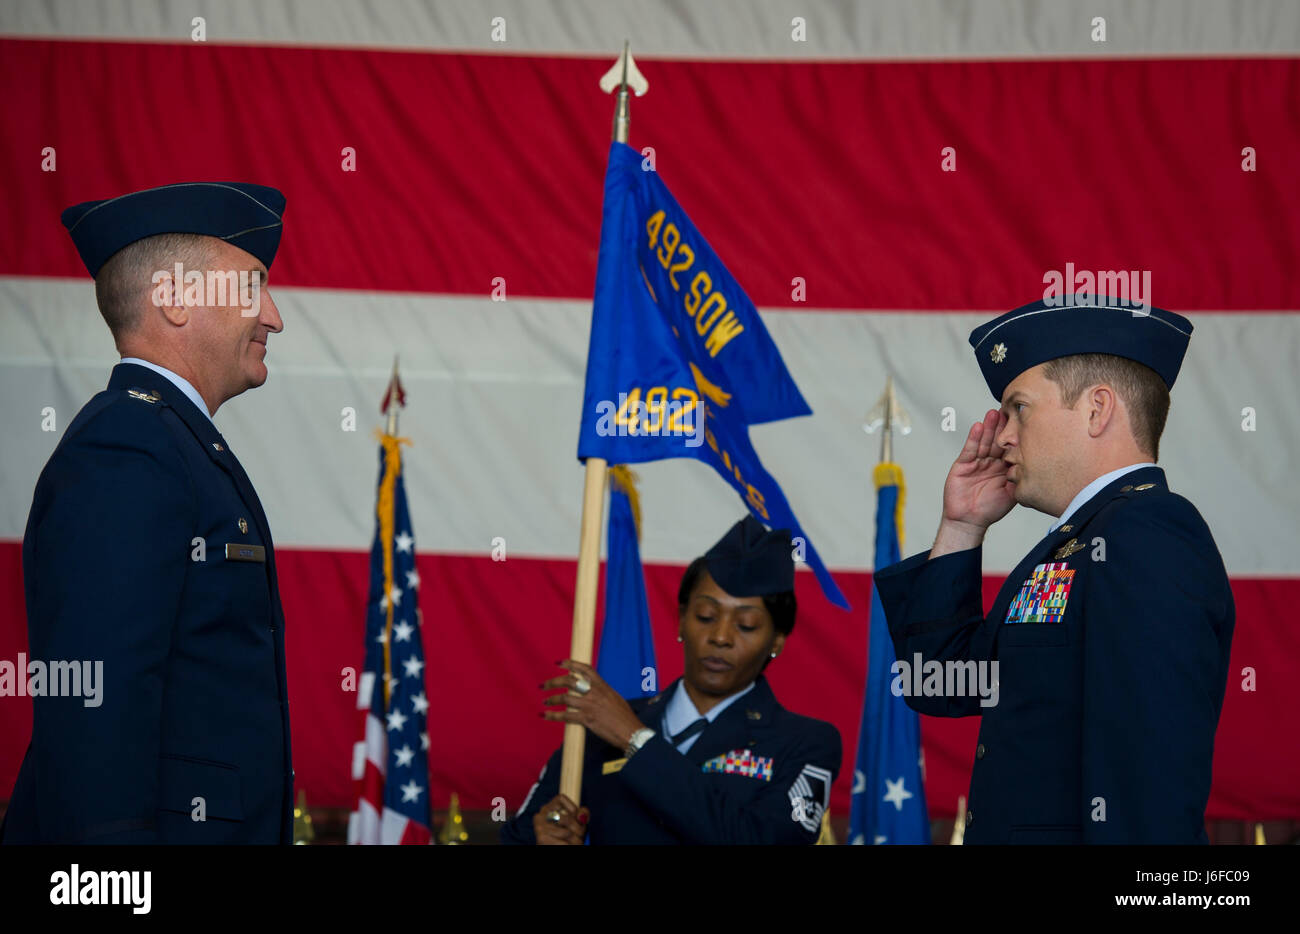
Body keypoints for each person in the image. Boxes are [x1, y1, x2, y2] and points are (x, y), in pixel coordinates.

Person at [874, 296, 1235, 844]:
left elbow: (1145, 780)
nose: (1002, 436)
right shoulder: (1082, 541)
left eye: (1020, 408)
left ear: (1096, 409)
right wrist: (962, 527)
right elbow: (941, 682)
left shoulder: (1148, 533)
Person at [1, 182, 294, 844]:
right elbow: (95, 710)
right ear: (175, 300)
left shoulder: (171, 441)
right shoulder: (129, 446)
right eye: (252, 286)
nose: (273, 315)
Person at [500, 516, 841, 844]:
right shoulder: (601, 727)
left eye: (746, 624)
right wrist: (547, 837)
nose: (720, 636)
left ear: (777, 640)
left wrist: (635, 738)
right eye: (705, 616)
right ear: (680, 620)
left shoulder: (806, 743)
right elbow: (520, 838)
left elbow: (760, 839)